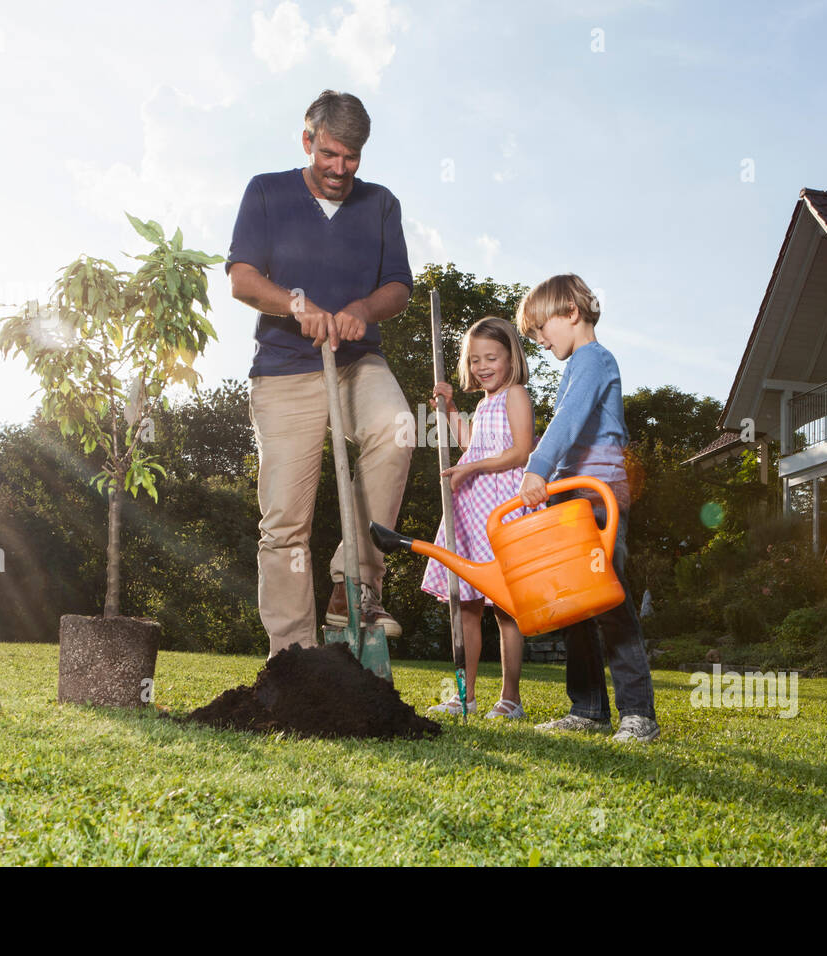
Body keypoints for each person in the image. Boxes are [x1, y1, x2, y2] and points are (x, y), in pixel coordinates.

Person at [226, 90, 413, 656]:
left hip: (358, 363)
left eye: (352, 156)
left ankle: (352, 584)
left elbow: (398, 287)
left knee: (399, 429)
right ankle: (292, 656)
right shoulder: (267, 191)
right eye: (330, 153)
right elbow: (241, 277)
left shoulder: (380, 204)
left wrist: (360, 310)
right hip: (285, 370)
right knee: (285, 520)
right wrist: (298, 306)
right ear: (307, 141)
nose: (340, 168)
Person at [515, 274, 660, 743]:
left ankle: (638, 714)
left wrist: (537, 467)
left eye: (541, 329)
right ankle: (588, 708)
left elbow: (569, 420)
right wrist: (551, 490)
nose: (540, 340)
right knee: (576, 604)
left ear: (571, 313)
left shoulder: (595, 360)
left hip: (597, 497)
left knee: (609, 600)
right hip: (571, 497)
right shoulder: (577, 366)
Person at [422, 317, 538, 719]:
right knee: (465, 603)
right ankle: (463, 695)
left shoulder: (516, 395)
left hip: (503, 506)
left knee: (506, 606)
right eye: (474, 360)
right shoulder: (485, 402)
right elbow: (470, 444)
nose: (483, 366)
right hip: (473, 507)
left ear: (511, 358)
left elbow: (521, 453)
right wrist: (450, 408)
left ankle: (510, 699)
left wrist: (470, 469)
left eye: (492, 357)